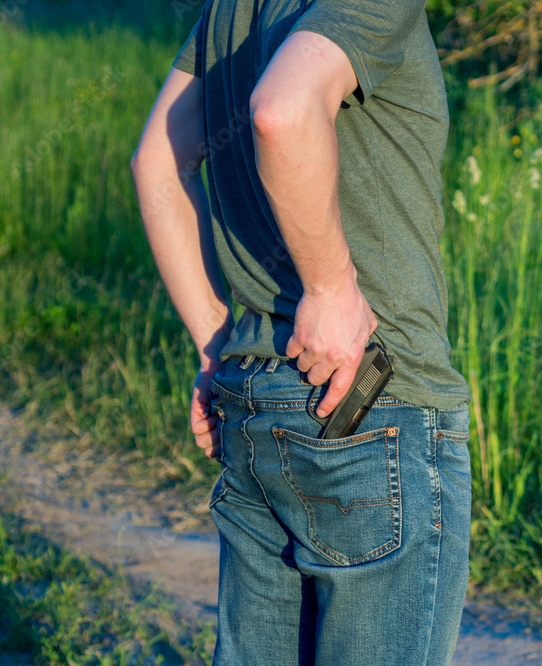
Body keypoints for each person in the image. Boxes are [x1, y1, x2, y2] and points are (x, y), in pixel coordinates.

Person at [130, 0, 473, 663]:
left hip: (254, 405)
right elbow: (282, 111)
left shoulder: (228, 11)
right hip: (371, 403)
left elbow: (156, 163)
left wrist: (213, 345)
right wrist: (329, 287)